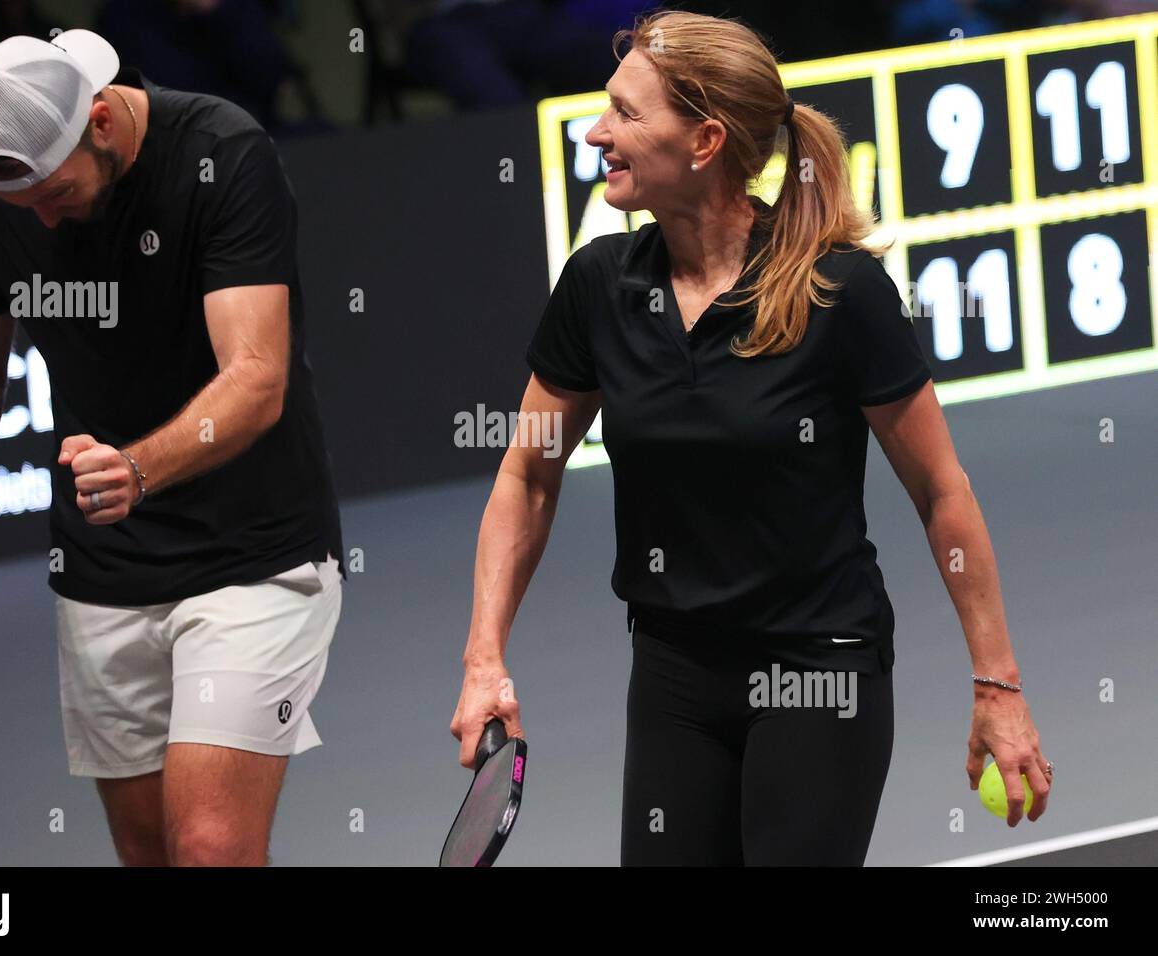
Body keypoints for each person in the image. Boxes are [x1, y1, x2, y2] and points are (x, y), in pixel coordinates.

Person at [449, 10, 1051, 866]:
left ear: (704, 141)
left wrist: (998, 686)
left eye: (624, 113)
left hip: (819, 666)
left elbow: (939, 490)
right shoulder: (597, 288)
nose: (597, 132)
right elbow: (529, 477)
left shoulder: (840, 292)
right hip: (672, 674)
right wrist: (484, 658)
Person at [0, 29, 344, 866]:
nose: (42, 218)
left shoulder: (224, 152)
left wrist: (140, 468)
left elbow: (257, 378)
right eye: (23, 204)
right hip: (102, 575)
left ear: (104, 122)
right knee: (150, 855)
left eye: (57, 193)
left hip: (254, 556)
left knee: (211, 847)